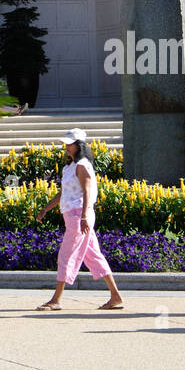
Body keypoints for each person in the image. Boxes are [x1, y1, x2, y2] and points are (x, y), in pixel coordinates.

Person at [34, 127, 124, 311]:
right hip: (74, 215)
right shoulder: (71, 166)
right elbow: (64, 192)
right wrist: (45, 209)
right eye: (67, 143)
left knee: (66, 255)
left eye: (71, 144)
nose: (67, 146)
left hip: (79, 216)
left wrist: (83, 216)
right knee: (93, 256)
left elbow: (87, 192)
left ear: (79, 145)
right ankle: (115, 296)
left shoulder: (82, 165)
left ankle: (56, 299)